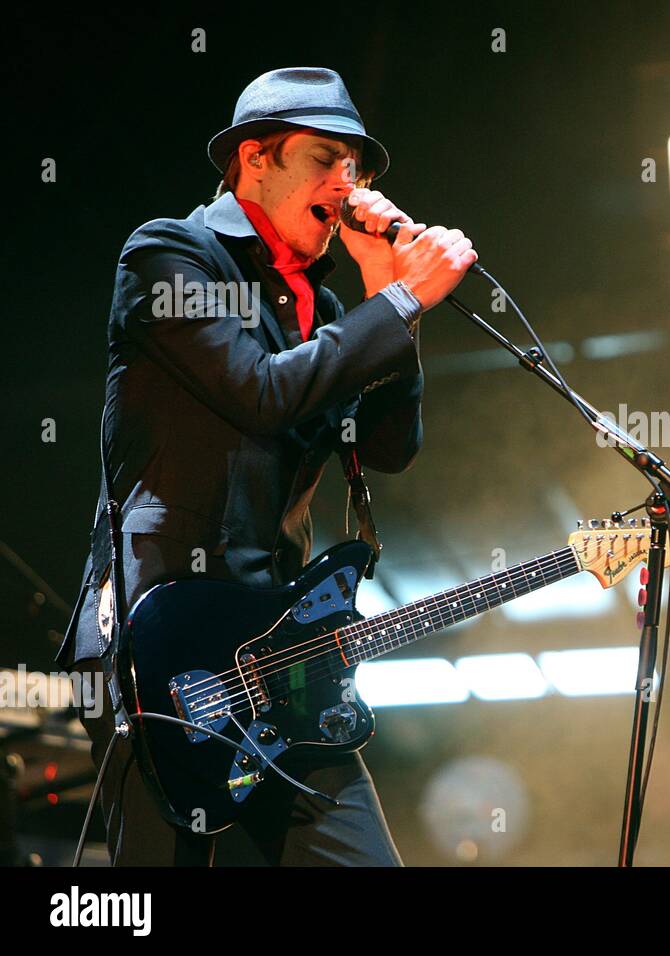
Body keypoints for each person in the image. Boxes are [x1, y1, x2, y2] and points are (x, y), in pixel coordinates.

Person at [55, 67, 476, 865]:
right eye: (325, 159)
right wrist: (399, 306)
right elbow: (259, 390)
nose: (346, 184)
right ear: (256, 160)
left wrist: (389, 291)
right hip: (160, 642)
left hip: (279, 650)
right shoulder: (170, 254)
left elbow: (389, 449)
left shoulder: (325, 310)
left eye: (356, 168)